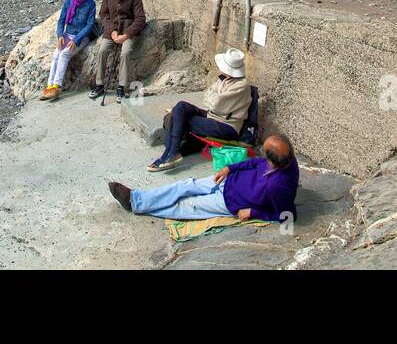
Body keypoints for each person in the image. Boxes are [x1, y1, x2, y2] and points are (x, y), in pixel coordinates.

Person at [107, 134, 299, 223]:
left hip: (229, 202)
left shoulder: (278, 186)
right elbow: (255, 163)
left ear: (273, 161)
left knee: (187, 205)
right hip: (228, 181)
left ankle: (138, 205)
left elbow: (288, 216)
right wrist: (228, 168)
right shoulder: (286, 158)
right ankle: (136, 199)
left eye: (265, 153)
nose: (262, 155)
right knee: (185, 185)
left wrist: (254, 212)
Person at [147, 47, 250, 172]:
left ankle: (170, 153)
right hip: (213, 116)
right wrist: (214, 98)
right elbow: (207, 95)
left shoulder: (241, 86)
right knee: (180, 107)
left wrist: (214, 98)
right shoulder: (224, 79)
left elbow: (217, 104)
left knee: (176, 118)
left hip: (226, 126)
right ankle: (174, 152)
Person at [91, 0, 146, 101]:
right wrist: (112, 31)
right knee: (102, 50)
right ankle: (99, 84)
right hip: (112, 30)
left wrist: (126, 35)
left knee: (125, 52)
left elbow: (140, 19)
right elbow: (104, 15)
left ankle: (121, 87)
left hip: (128, 31)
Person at [39, 0, 96, 101]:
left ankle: (56, 86)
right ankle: (49, 86)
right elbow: (61, 21)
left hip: (81, 37)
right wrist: (60, 35)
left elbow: (89, 25)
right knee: (56, 55)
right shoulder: (68, 2)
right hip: (67, 34)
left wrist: (76, 40)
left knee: (64, 54)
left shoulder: (91, 4)